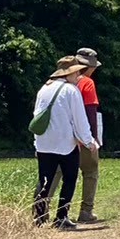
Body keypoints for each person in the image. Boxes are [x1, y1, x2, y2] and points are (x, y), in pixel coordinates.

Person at [32, 56, 98, 229]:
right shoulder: (71, 90)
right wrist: (88, 141)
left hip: (44, 142)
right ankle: (61, 218)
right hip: (65, 144)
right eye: (76, 72)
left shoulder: (44, 88)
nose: (78, 76)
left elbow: (37, 117)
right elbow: (79, 119)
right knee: (69, 178)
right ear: (69, 73)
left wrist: (36, 142)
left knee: (45, 180)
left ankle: (38, 218)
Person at [48, 47, 105, 223]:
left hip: (60, 136)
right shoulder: (87, 83)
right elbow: (90, 113)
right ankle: (86, 211)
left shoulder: (57, 83)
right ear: (88, 67)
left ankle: (41, 210)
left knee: (55, 174)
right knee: (90, 172)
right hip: (81, 137)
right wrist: (93, 140)